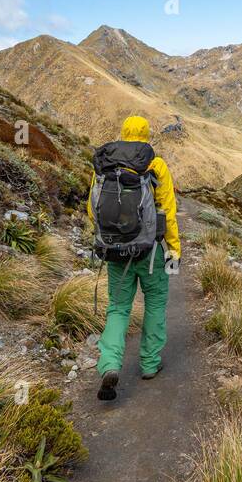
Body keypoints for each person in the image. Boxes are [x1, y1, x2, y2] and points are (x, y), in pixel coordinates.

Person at [88, 115, 181, 401]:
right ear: (146, 133)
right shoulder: (156, 164)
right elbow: (168, 210)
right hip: (151, 250)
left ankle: (110, 365)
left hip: (116, 250)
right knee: (154, 303)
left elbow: (93, 210)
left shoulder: (105, 162)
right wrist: (174, 249)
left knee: (118, 308)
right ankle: (150, 364)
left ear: (123, 132)